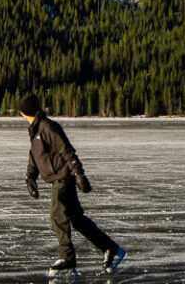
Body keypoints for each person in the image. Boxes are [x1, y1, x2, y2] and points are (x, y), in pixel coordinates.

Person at [19, 93, 126, 276]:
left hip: (63, 178)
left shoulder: (47, 127)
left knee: (57, 214)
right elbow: (35, 156)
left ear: (25, 112)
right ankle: (110, 248)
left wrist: (79, 174)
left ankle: (67, 259)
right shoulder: (35, 130)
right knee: (77, 220)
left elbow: (66, 150)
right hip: (57, 179)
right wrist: (30, 178)